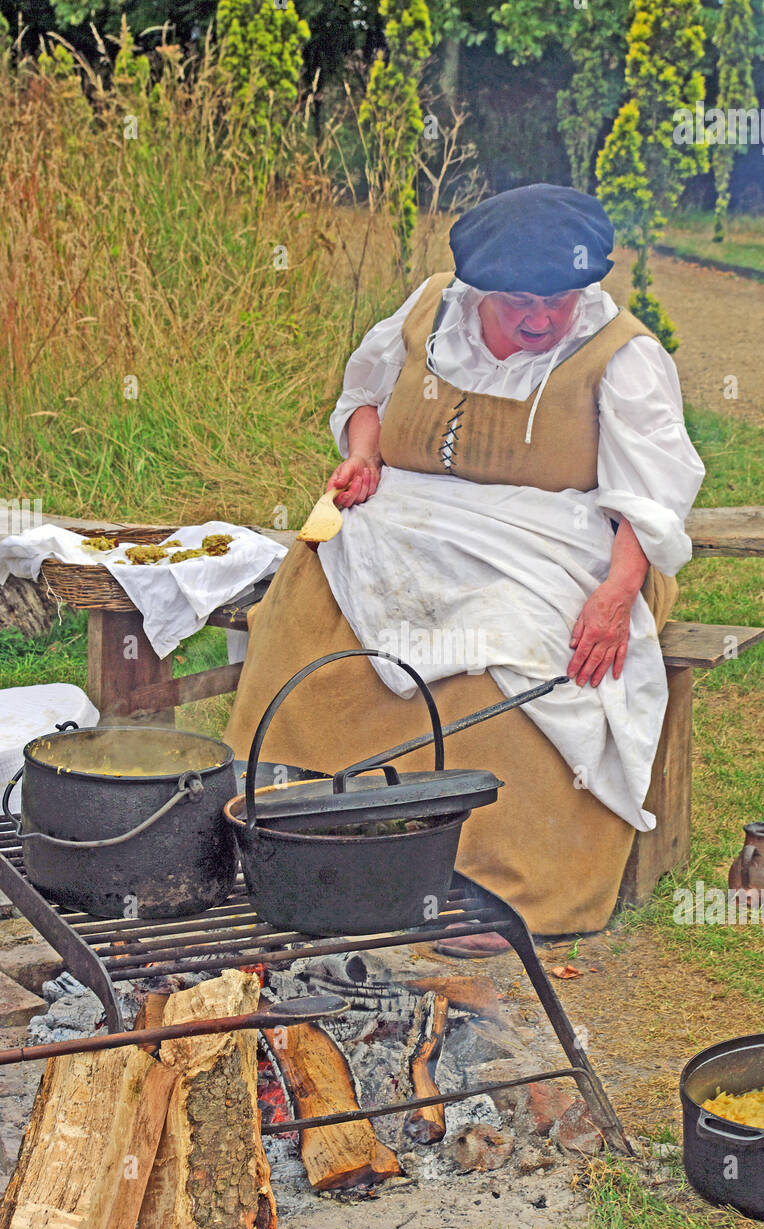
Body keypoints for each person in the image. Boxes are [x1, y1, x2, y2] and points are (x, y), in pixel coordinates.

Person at [224, 184, 705, 955]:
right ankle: (313, 830)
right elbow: (366, 397)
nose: (542, 318)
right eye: (519, 302)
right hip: (408, 518)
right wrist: (361, 457)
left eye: (560, 299)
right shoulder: (428, 313)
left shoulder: (623, 356)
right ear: (479, 289)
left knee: (507, 657)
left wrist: (616, 597)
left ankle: (511, 886)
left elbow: (648, 500)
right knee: (310, 599)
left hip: (570, 541)